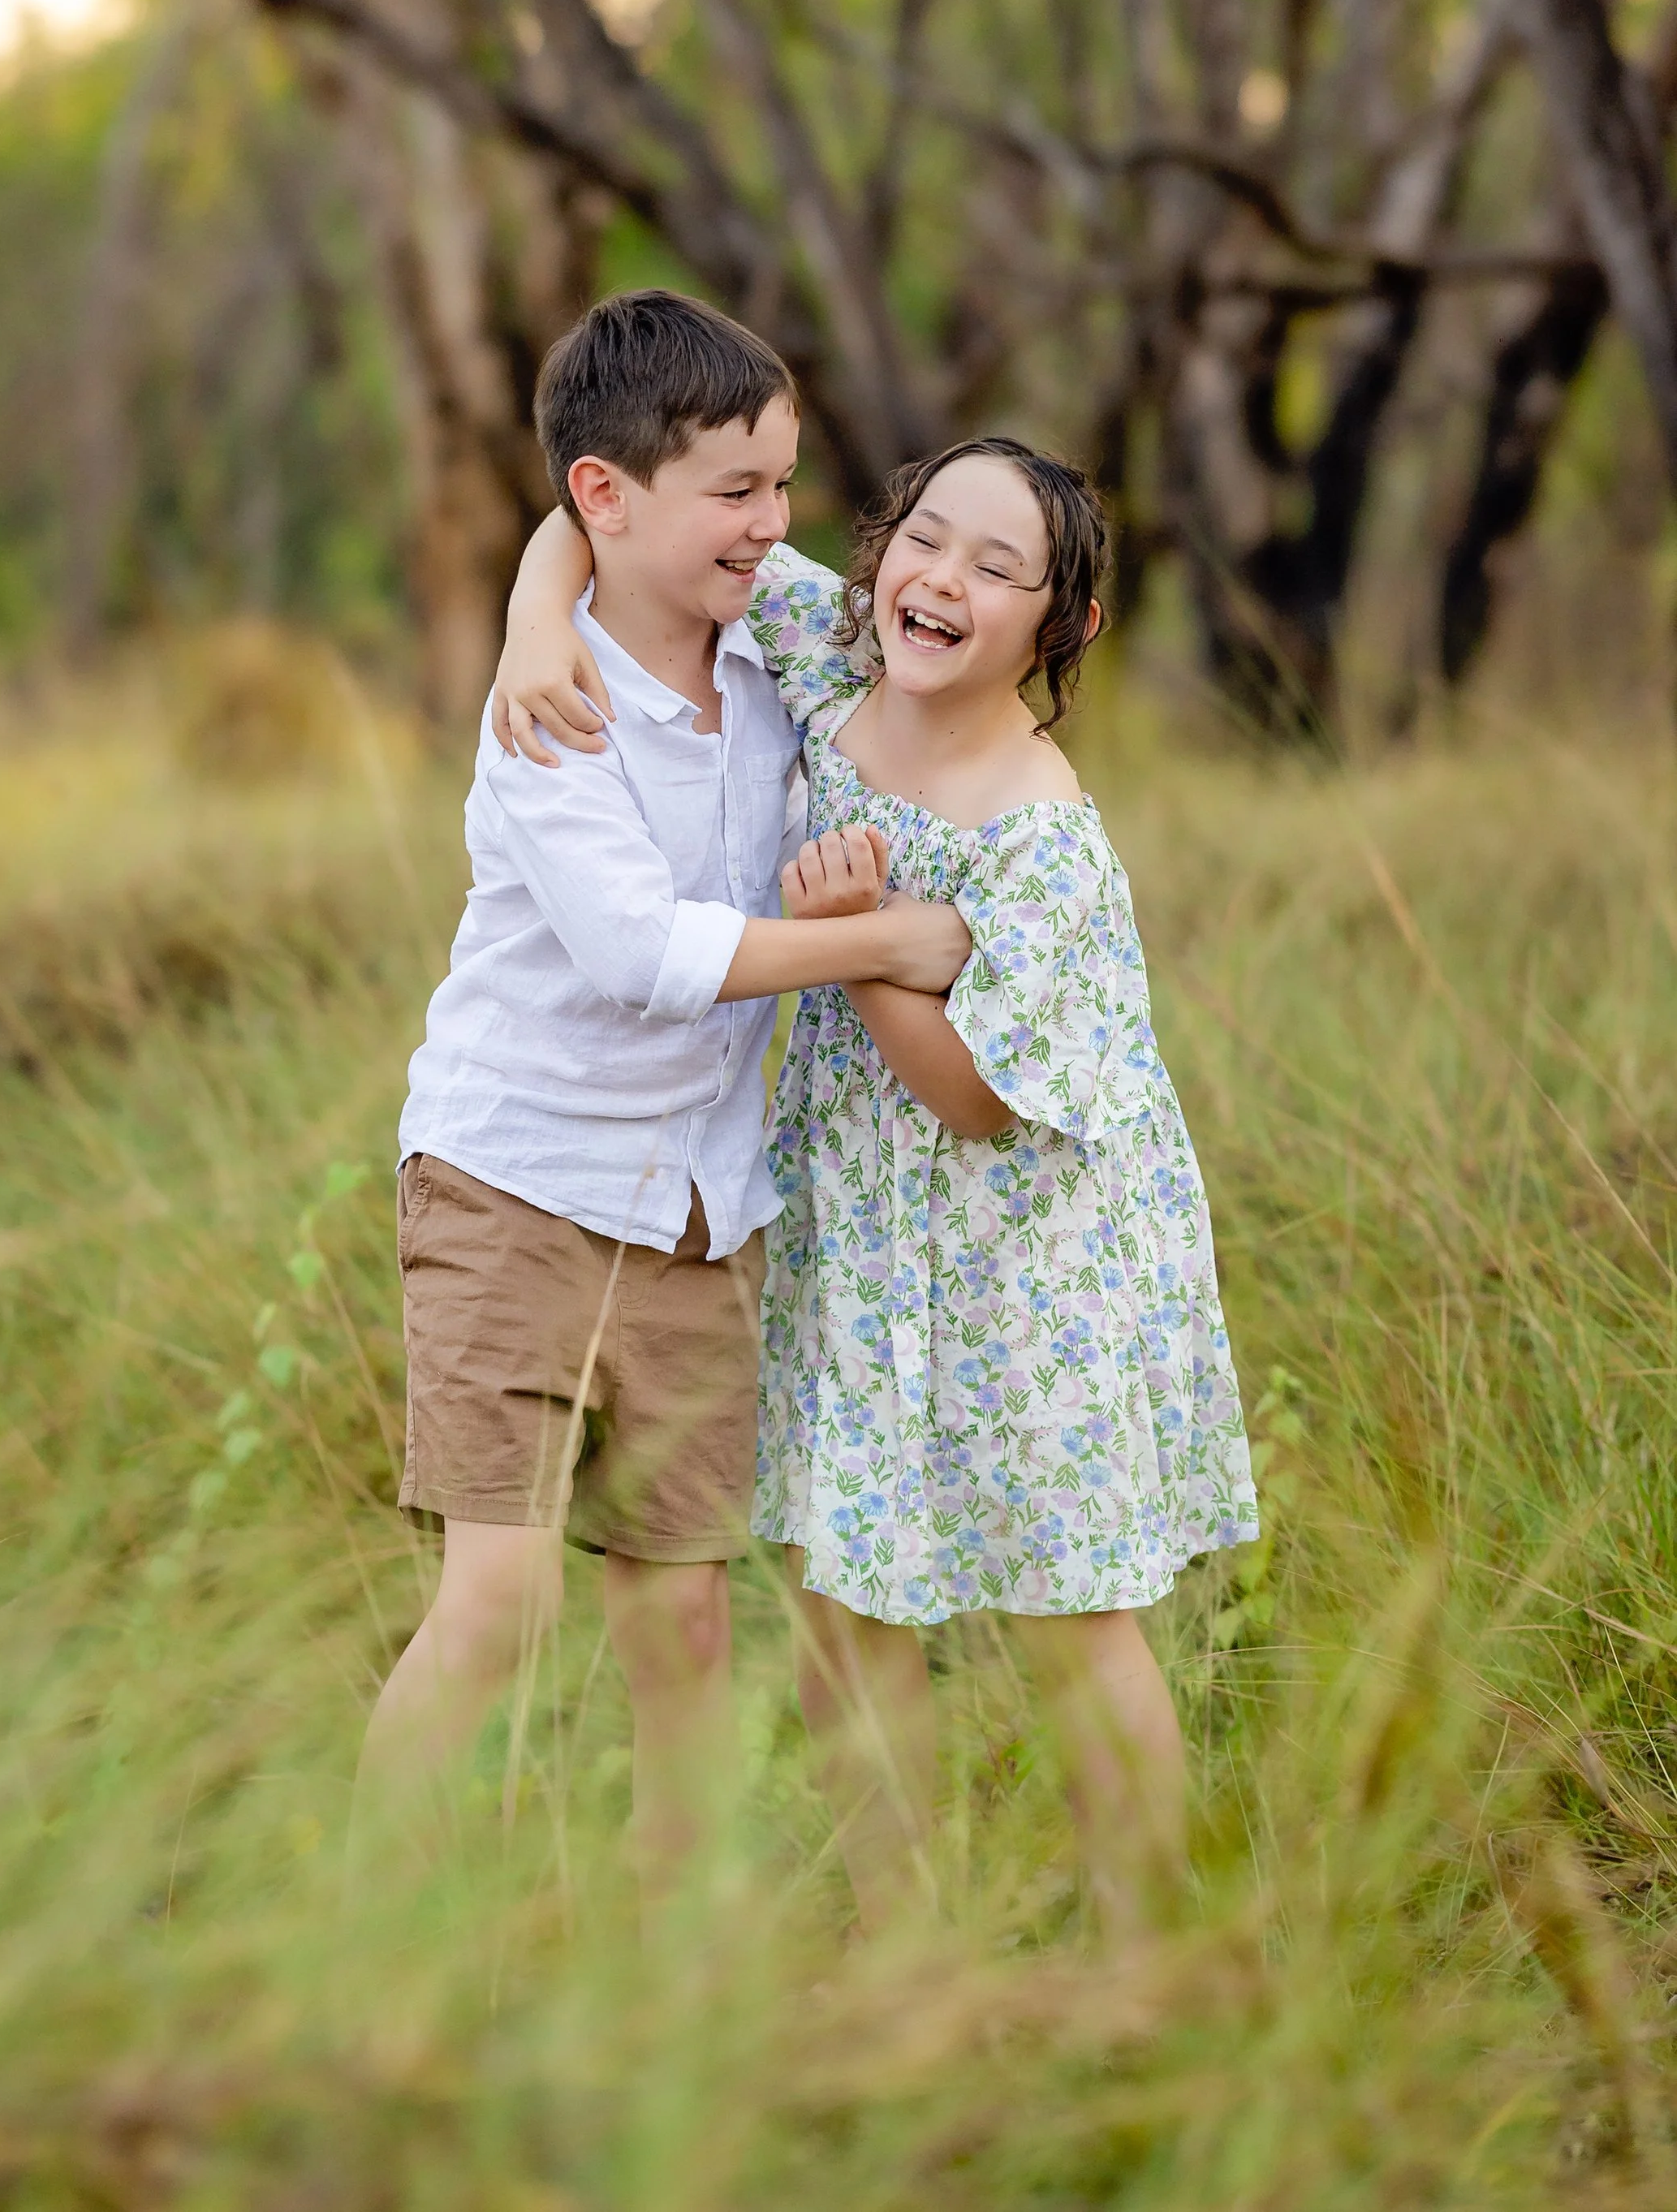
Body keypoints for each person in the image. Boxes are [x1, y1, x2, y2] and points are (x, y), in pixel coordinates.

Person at [494, 435, 1260, 1939]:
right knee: (846, 1601)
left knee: (1068, 1614)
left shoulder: (1043, 840)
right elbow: (597, 524)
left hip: (1039, 1270)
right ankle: (910, 1950)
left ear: (1063, 626)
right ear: (877, 553)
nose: (943, 579)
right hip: (862, 1244)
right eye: (926, 537)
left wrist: (866, 932)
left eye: (998, 567)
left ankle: (1157, 1956)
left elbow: (978, 1100)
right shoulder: (832, 663)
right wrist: (533, 631)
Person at [354, 292, 976, 1915]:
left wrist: (535, 582)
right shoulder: (545, 714)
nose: (770, 525)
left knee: (684, 1623)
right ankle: (361, 1947)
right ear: (610, 497)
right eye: (733, 492)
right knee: (498, 1606)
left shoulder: (774, 635)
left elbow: (926, 620)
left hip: (700, 1207)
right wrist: (877, 941)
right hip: (513, 1183)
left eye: (781, 485)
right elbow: (641, 952)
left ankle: (665, 1960)